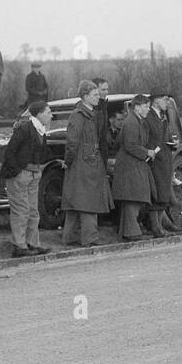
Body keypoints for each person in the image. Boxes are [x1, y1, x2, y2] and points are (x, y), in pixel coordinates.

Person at [2, 99, 56, 256]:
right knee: (21, 210)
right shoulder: (25, 129)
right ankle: (19, 246)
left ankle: (32, 243)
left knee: (33, 210)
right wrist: (17, 170)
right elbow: (10, 151)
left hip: (34, 173)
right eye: (48, 112)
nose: (51, 116)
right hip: (21, 174)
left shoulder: (40, 130)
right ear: (39, 114)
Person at [62, 81, 114, 243]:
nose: (99, 97)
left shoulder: (90, 113)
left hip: (88, 162)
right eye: (95, 95)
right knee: (88, 200)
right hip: (83, 163)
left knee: (77, 200)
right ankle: (89, 238)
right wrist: (69, 161)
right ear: (85, 97)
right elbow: (72, 141)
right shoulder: (79, 115)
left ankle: (69, 237)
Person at [112, 95, 157, 241]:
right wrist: (146, 152)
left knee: (134, 197)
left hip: (132, 164)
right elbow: (130, 145)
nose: (148, 109)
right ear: (137, 107)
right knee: (133, 198)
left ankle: (129, 231)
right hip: (129, 166)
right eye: (146, 106)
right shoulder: (132, 122)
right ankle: (132, 232)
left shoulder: (135, 121)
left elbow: (121, 141)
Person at [146, 91, 181, 234]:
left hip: (165, 159)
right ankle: (156, 227)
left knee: (163, 195)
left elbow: (165, 136)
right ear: (155, 101)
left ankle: (160, 226)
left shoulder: (163, 117)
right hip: (154, 160)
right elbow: (149, 139)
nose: (167, 102)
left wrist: (173, 143)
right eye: (165, 99)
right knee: (156, 195)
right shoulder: (148, 116)